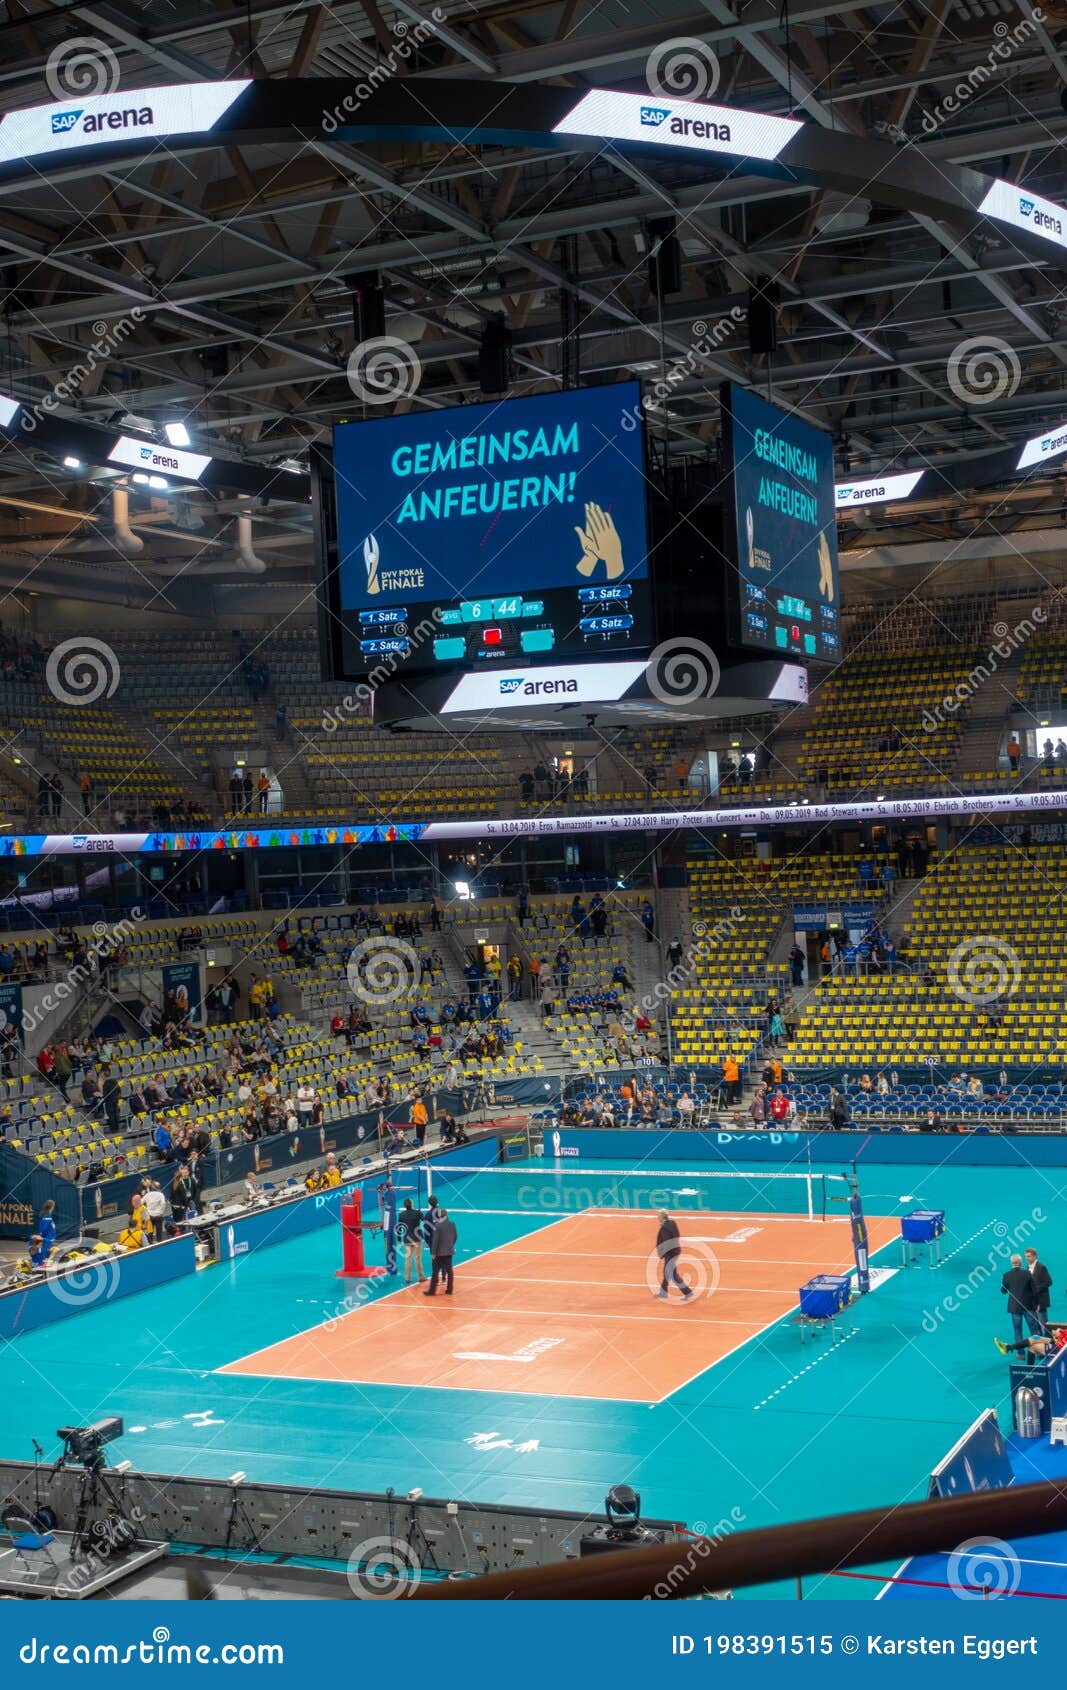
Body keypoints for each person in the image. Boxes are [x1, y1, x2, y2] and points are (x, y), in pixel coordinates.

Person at [1001, 1253, 1040, 1346]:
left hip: (1014, 1307)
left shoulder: (1006, 1275)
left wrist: (1003, 1283)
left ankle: (1020, 1353)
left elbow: (1003, 1291)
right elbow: (1035, 1290)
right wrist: (1037, 1304)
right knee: (1034, 1330)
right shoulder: (1027, 1273)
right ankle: (1038, 1351)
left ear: (1011, 1263)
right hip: (1028, 1307)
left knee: (1017, 1331)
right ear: (1021, 1262)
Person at [653, 1210, 693, 1301]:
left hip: (670, 1254)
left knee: (673, 1275)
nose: (657, 1217)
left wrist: (663, 1253)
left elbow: (666, 1242)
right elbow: (677, 1236)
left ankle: (688, 1292)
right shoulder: (672, 1223)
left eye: (658, 1215)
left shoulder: (664, 1228)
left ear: (662, 1217)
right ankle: (663, 1292)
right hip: (675, 1251)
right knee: (667, 1273)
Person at [424, 1207, 457, 1296]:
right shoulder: (452, 1224)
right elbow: (455, 1237)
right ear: (446, 1215)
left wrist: (433, 1253)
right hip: (449, 1251)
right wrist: (450, 1245)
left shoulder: (437, 1226)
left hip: (439, 1253)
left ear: (439, 1215)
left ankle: (432, 1291)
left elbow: (435, 1241)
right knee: (449, 1271)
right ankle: (449, 1289)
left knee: (435, 1271)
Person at [397, 1197, 425, 1284]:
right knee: (417, 1258)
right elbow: (424, 1220)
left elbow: (399, 1227)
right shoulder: (417, 1213)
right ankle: (421, 1277)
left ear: (405, 1206)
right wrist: (420, 1213)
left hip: (407, 1239)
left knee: (408, 1259)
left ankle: (407, 1278)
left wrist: (399, 1238)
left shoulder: (401, 1215)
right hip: (417, 1239)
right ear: (412, 1204)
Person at [1025, 1247, 1052, 1335]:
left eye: (1029, 1256)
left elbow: (1048, 1282)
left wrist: (1036, 1289)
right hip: (1032, 1303)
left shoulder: (1041, 1267)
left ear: (1034, 1256)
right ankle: (1040, 1345)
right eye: (1026, 1256)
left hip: (1041, 1302)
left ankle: (1048, 1346)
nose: (1027, 1258)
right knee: (1037, 1326)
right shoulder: (1027, 1268)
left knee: (1044, 1326)